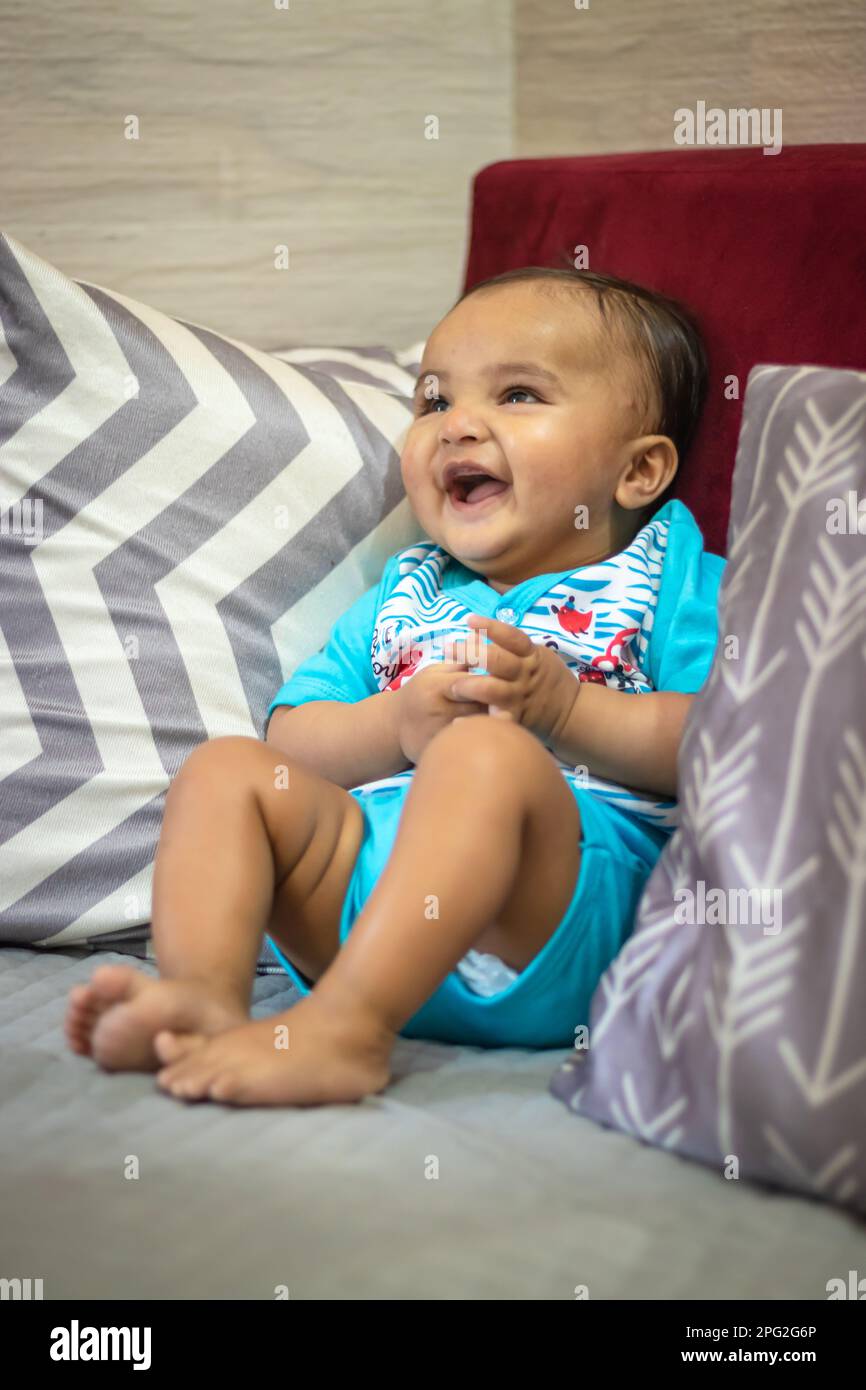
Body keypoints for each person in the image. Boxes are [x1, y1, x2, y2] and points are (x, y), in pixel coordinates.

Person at [65, 266, 725, 1107]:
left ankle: (348, 1028)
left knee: (487, 754)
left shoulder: (671, 577)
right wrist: (398, 726)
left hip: (548, 916)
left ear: (637, 473)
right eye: (434, 402)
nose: (458, 428)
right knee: (226, 769)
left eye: (518, 394)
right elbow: (293, 739)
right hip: (365, 903)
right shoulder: (404, 592)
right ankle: (203, 998)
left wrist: (567, 711)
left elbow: (723, 744)